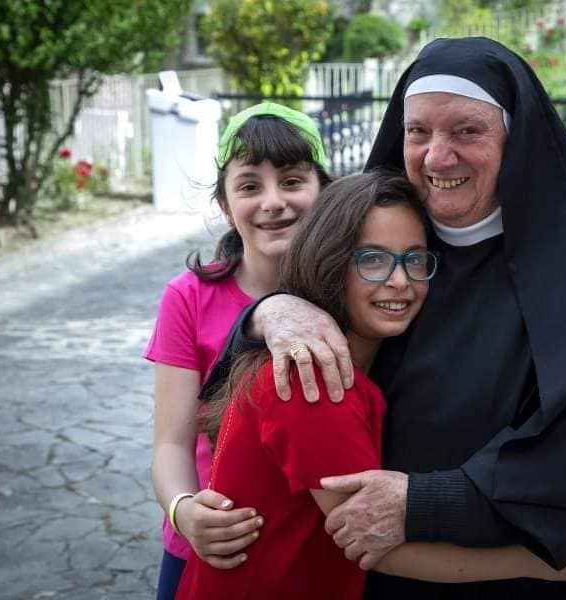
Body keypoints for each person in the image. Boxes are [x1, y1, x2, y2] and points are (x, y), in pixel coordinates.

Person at [210, 37, 566, 598]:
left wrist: (427, 501)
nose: (437, 157)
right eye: (418, 131)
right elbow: (253, 380)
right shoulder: (386, 235)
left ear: (515, 138)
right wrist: (268, 312)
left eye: (467, 131)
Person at [175, 170, 566, 599]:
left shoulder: (354, 365)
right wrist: (540, 564)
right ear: (329, 261)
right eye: (372, 259)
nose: (399, 281)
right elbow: (373, 543)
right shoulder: (313, 380)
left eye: (414, 259)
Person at [143, 101, 330, 599]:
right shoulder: (188, 298)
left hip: (312, 553)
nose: (273, 201)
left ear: (324, 192)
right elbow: (171, 444)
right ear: (225, 206)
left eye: (292, 181)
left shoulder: (347, 294)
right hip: (212, 550)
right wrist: (184, 510)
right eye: (249, 186)